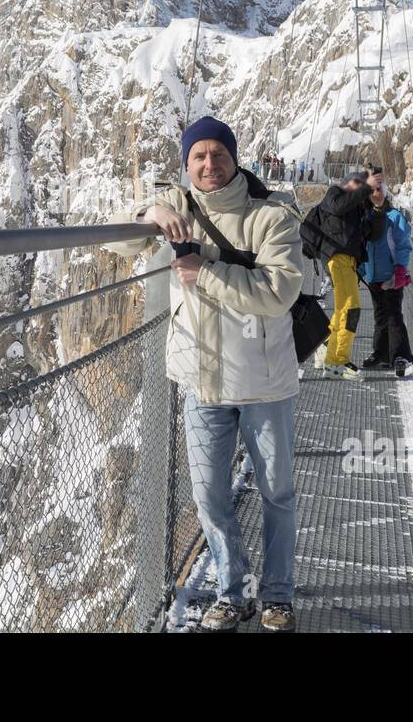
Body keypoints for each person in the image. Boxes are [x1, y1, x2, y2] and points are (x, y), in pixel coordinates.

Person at [105, 115, 302, 633]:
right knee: (210, 496)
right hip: (203, 383)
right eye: (198, 155)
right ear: (186, 163)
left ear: (235, 159)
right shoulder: (178, 212)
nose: (209, 163)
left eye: (218, 154)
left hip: (265, 382)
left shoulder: (270, 217)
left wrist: (205, 274)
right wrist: (149, 210)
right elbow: (119, 244)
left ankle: (278, 593)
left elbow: (280, 292)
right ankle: (231, 593)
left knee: (277, 491)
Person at [307, 169, 380, 378]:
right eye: (360, 183)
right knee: (351, 308)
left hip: (348, 261)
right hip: (336, 257)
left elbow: (373, 233)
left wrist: (377, 206)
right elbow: (338, 207)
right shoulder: (334, 193)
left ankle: (327, 349)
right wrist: (366, 187)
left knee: (342, 309)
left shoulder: (356, 207)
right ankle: (337, 362)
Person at [358, 183, 413, 374]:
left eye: (379, 190)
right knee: (380, 315)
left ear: (385, 193)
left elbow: (404, 246)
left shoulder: (395, 217)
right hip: (373, 275)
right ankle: (380, 354)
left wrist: (399, 271)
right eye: (372, 191)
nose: (376, 194)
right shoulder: (366, 217)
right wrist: (361, 269)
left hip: (391, 276)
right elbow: (362, 246)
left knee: (394, 314)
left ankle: (400, 356)